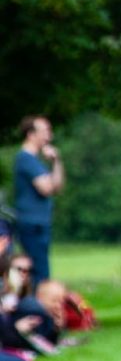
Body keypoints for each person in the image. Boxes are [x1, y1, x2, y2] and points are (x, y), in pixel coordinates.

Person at [13, 117, 64, 284]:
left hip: (40, 222)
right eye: (44, 131)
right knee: (39, 273)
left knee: (42, 271)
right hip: (32, 223)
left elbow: (57, 186)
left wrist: (56, 161)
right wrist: (51, 181)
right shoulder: (26, 159)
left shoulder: (35, 161)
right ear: (30, 134)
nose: (49, 136)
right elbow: (47, 188)